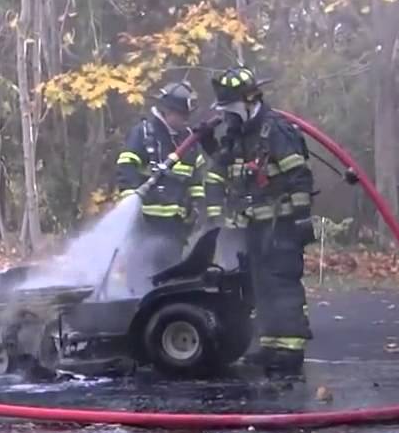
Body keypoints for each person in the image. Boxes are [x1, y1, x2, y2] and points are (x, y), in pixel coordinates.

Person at [206, 65, 317, 379]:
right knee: (261, 285)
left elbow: (299, 177)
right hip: (254, 227)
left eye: (230, 109)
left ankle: (291, 349)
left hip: (282, 225)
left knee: (283, 285)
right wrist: (208, 145)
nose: (227, 116)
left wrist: (301, 220)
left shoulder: (275, 130)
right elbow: (223, 169)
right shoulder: (237, 134)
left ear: (248, 101)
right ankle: (270, 344)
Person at [114, 81, 209, 280]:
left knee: (170, 281)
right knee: (141, 279)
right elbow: (126, 167)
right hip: (145, 226)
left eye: (188, 115)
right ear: (167, 111)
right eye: (182, 114)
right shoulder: (144, 134)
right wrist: (132, 205)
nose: (186, 119)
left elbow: (196, 178)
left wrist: (198, 207)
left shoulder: (189, 140)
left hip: (175, 229)